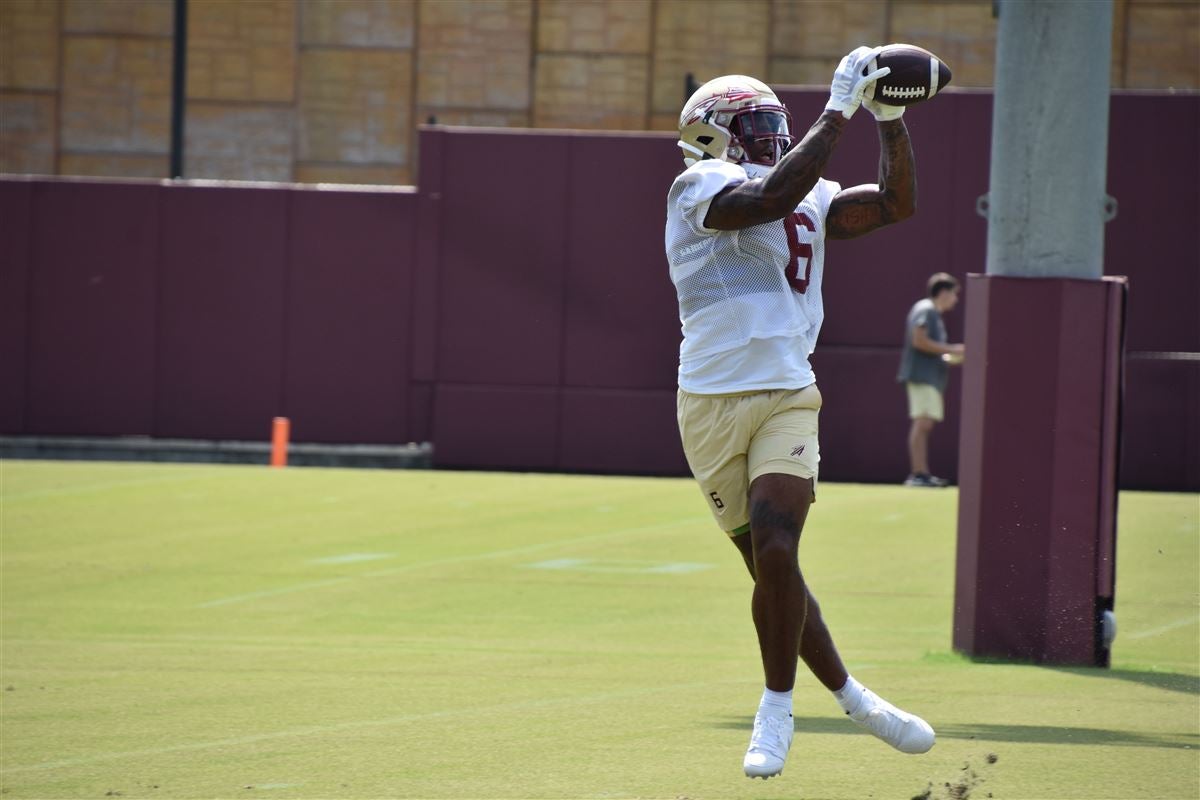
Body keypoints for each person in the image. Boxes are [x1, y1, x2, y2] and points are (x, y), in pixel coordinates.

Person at [665, 47, 935, 782]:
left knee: (779, 548)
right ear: (713, 133)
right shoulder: (700, 182)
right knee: (770, 571)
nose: (771, 133)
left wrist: (889, 119)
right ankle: (855, 700)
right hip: (711, 404)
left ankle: (776, 707)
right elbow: (768, 200)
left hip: (787, 389)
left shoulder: (803, 185)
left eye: (774, 121)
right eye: (755, 122)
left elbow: (893, 204)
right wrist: (838, 110)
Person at [897, 273, 964, 487]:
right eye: (954, 294)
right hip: (922, 377)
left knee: (925, 424)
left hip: (930, 378)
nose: (956, 299)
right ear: (943, 292)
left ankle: (922, 473)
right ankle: (918, 474)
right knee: (922, 422)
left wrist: (951, 357)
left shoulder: (933, 313)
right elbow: (919, 340)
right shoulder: (926, 309)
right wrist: (952, 348)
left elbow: (931, 347)